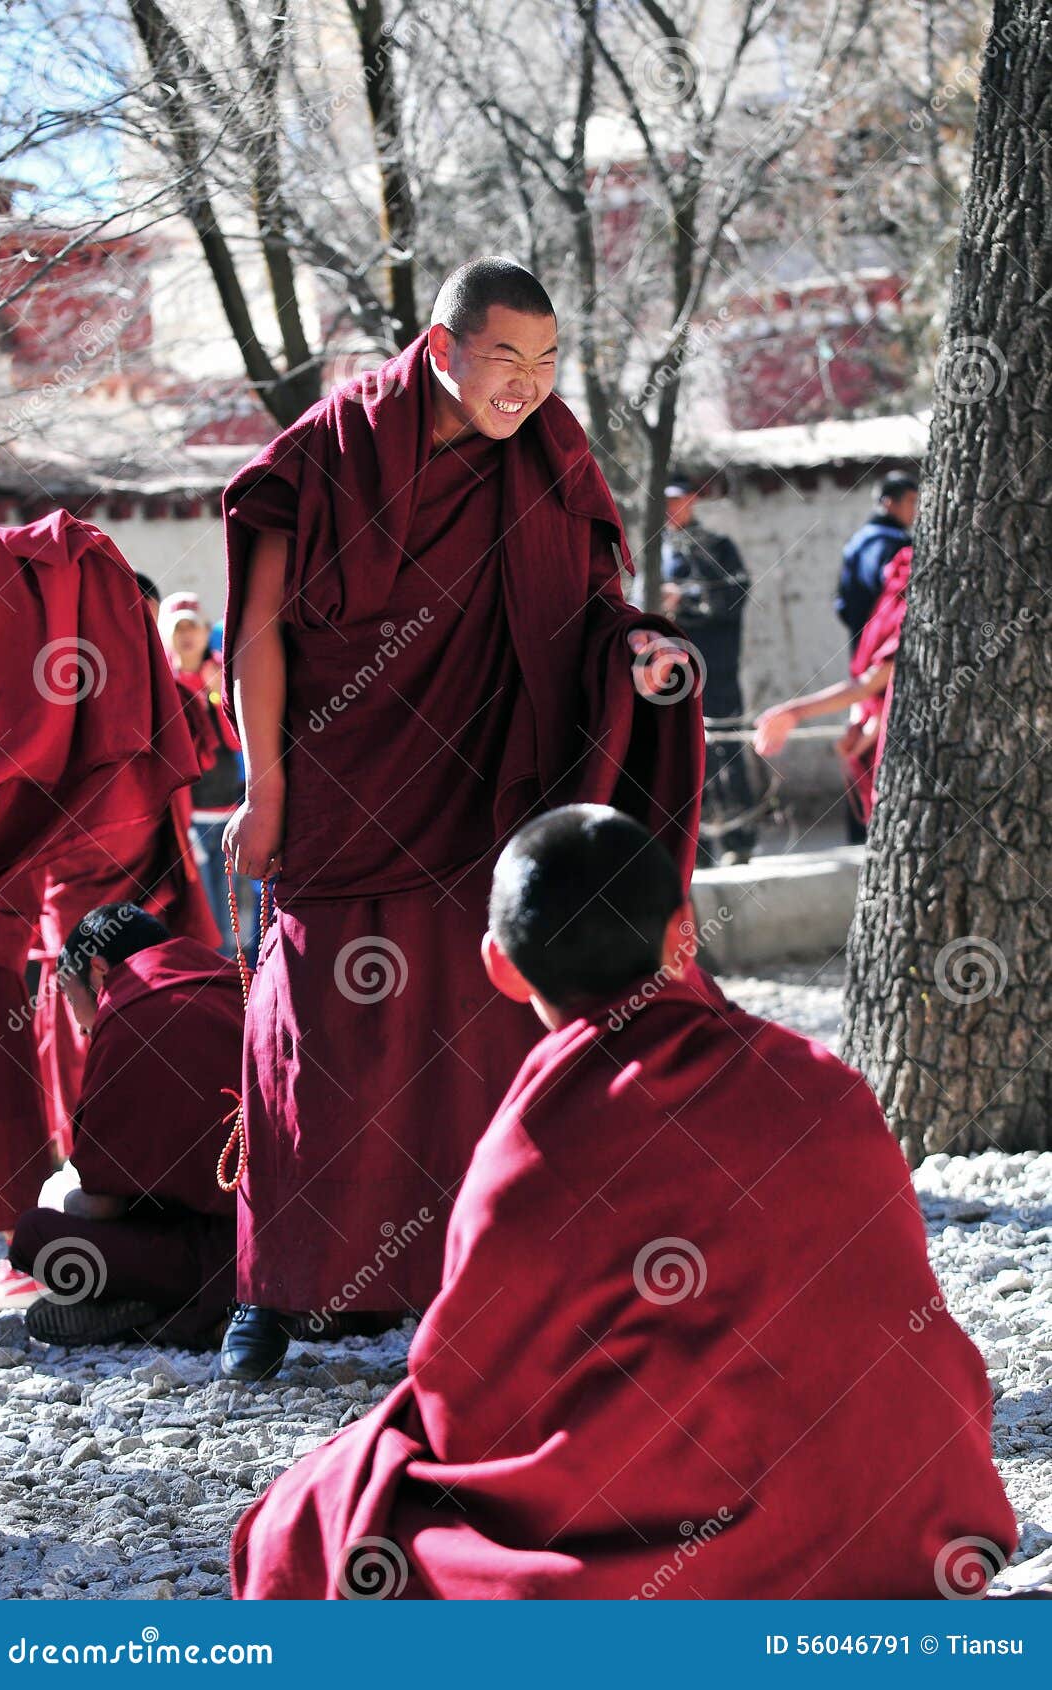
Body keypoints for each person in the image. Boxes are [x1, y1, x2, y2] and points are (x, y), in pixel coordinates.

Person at [231, 805, 1015, 1600]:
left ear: (497, 966)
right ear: (683, 932)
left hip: (699, 1568)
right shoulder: (822, 1083)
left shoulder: (535, 1144)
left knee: (314, 1516)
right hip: (912, 1518)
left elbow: (463, 1404)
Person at [218, 256, 702, 1380]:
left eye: (545, 361)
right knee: (317, 1035)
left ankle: (488, 1274)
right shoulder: (329, 452)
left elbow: (586, 610)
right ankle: (275, 1287)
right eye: (504, 358)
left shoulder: (548, 454)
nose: (526, 384)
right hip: (344, 785)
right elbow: (260, 635)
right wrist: (266, 784)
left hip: (493, 787)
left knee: (481, 1032)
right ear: (442, 349)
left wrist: (639, 647)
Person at [0, 511, 210, 1311]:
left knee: (122, 1064)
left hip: (126, 921)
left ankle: (111, 1195)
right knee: (77, 1067)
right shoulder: (86, 722)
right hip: (68, 933)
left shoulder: (159, 703)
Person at [9, 904, 242, 1347]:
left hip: (225, 1259)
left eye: (68, 997)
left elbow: (102, 1207)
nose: (78, 1028)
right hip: (311, 1244)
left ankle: (160, 1306)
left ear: (98, 972)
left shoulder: (129, 1016)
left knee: (35, 1233)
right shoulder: (234, 980)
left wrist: (60, 1195)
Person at [754, 547, 912, 825]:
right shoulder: (895, 597)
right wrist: (864, 722)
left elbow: (872, 682)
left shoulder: (901, 598)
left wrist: (795, 713)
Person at [661, 474, 756, 864]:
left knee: (725, 748)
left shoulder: (718, 547)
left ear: (693, 500)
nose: (673, 509)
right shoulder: (658, 552)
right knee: (682, 755)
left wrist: (683, 597)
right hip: (672, 674)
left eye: (679, 500)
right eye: (667, 502)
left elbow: (735, 593)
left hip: (715, 667)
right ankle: (696, 849)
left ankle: (739, 839)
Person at [159, 592, 246, 955]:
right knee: (211, 920)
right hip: (191, 822)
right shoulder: (164, 685)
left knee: (245, 917)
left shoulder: (225, 675)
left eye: (192, 625)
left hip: (235, 815)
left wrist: (218, 696)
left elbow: (242, 741)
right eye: (178, 628)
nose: (187, 635)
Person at [835, 471, 917, 652]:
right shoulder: (887, 541)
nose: (915, 509)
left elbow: (842, 606)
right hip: (883, 646)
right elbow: (886, 583)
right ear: (890, 504)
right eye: (911, 501)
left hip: (863, 644)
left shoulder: (860, 539)